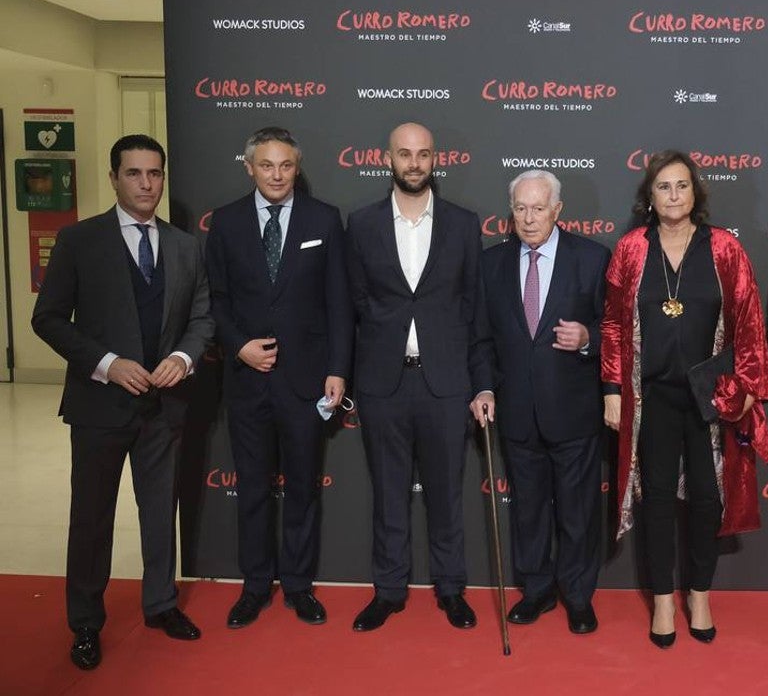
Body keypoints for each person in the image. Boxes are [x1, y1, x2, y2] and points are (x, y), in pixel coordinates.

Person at [32, 134, 214, 669]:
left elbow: (202, 317)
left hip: (166, 408)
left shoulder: (184, 245)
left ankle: (160, 604)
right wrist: (109, 364)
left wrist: (182, 358)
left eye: (154, 173)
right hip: (99, 407)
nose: (146, 184)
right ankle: (86, 623)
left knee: (161, 513)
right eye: (134, 173)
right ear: (114, 177)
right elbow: (46, 319)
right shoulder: (78, 241)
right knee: (91, 518)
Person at [602, 150, 768, 648]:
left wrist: (746, 386)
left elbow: (749, 321)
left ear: (695, 193)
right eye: (663, 187)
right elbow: (613, 324)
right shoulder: (632, 249)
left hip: (710, 399)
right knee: (655, 499)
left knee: (706, 498)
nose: (673, 195)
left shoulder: (724, 249)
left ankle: (698, 592)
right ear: (648, 197)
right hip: (650, 397)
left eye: (681, 186)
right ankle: (660, 600)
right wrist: (612, 389)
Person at [205, 127, 352, 629]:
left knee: (304, 489)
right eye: (266, 165)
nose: (276, 175)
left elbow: (339, 302)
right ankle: (253, 587)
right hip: (247, 383)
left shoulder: (324, 219)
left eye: (286, 165)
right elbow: (215, 301)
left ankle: (298, 586)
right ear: (249, 167)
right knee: (251, 488)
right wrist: (238, 346)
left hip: (306, 383)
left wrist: (337, 369)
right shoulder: (224, 223)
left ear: (297, 167)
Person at [345, 122, 488, 632]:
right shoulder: (361, 225)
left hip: (446, 383)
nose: (413, 163)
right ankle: (388, 590)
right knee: (388, 492)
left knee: (448, 493)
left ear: (435, 159)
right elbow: (355, 304)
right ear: (387, 158)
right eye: (404, 154)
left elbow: (474, 310)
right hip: (383, 381)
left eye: (423, 154)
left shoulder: (463, 224)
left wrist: (480, 381)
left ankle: (452, 589)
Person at [469, 170, 611, 634]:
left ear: (557, 210)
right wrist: (485, 387)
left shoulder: (592, 259)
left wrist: (588, 338)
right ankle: (536, 591)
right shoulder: (490, 265)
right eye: (520, 209)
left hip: (574, 411)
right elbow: (481, 340)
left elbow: (618, 333)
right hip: (516, 413)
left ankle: (577, 595)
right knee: (528, 510)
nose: (529, 219)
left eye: (538, 208)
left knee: (577, 512)